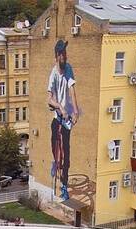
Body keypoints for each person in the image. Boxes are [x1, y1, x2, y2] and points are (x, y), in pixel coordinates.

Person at [48, 39, 79, 201]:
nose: (64, 56)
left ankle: (64, 186)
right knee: (55, 145)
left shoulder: (68, 69)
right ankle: (54, 161)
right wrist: (59, 106)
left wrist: (75, 111)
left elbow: (72, 90)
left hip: (67, 121)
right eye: (62, 54)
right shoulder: (53, 74)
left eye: (65, 53)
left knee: (66, 155)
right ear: (57, 56)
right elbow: (49, 99)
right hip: (57, 117)